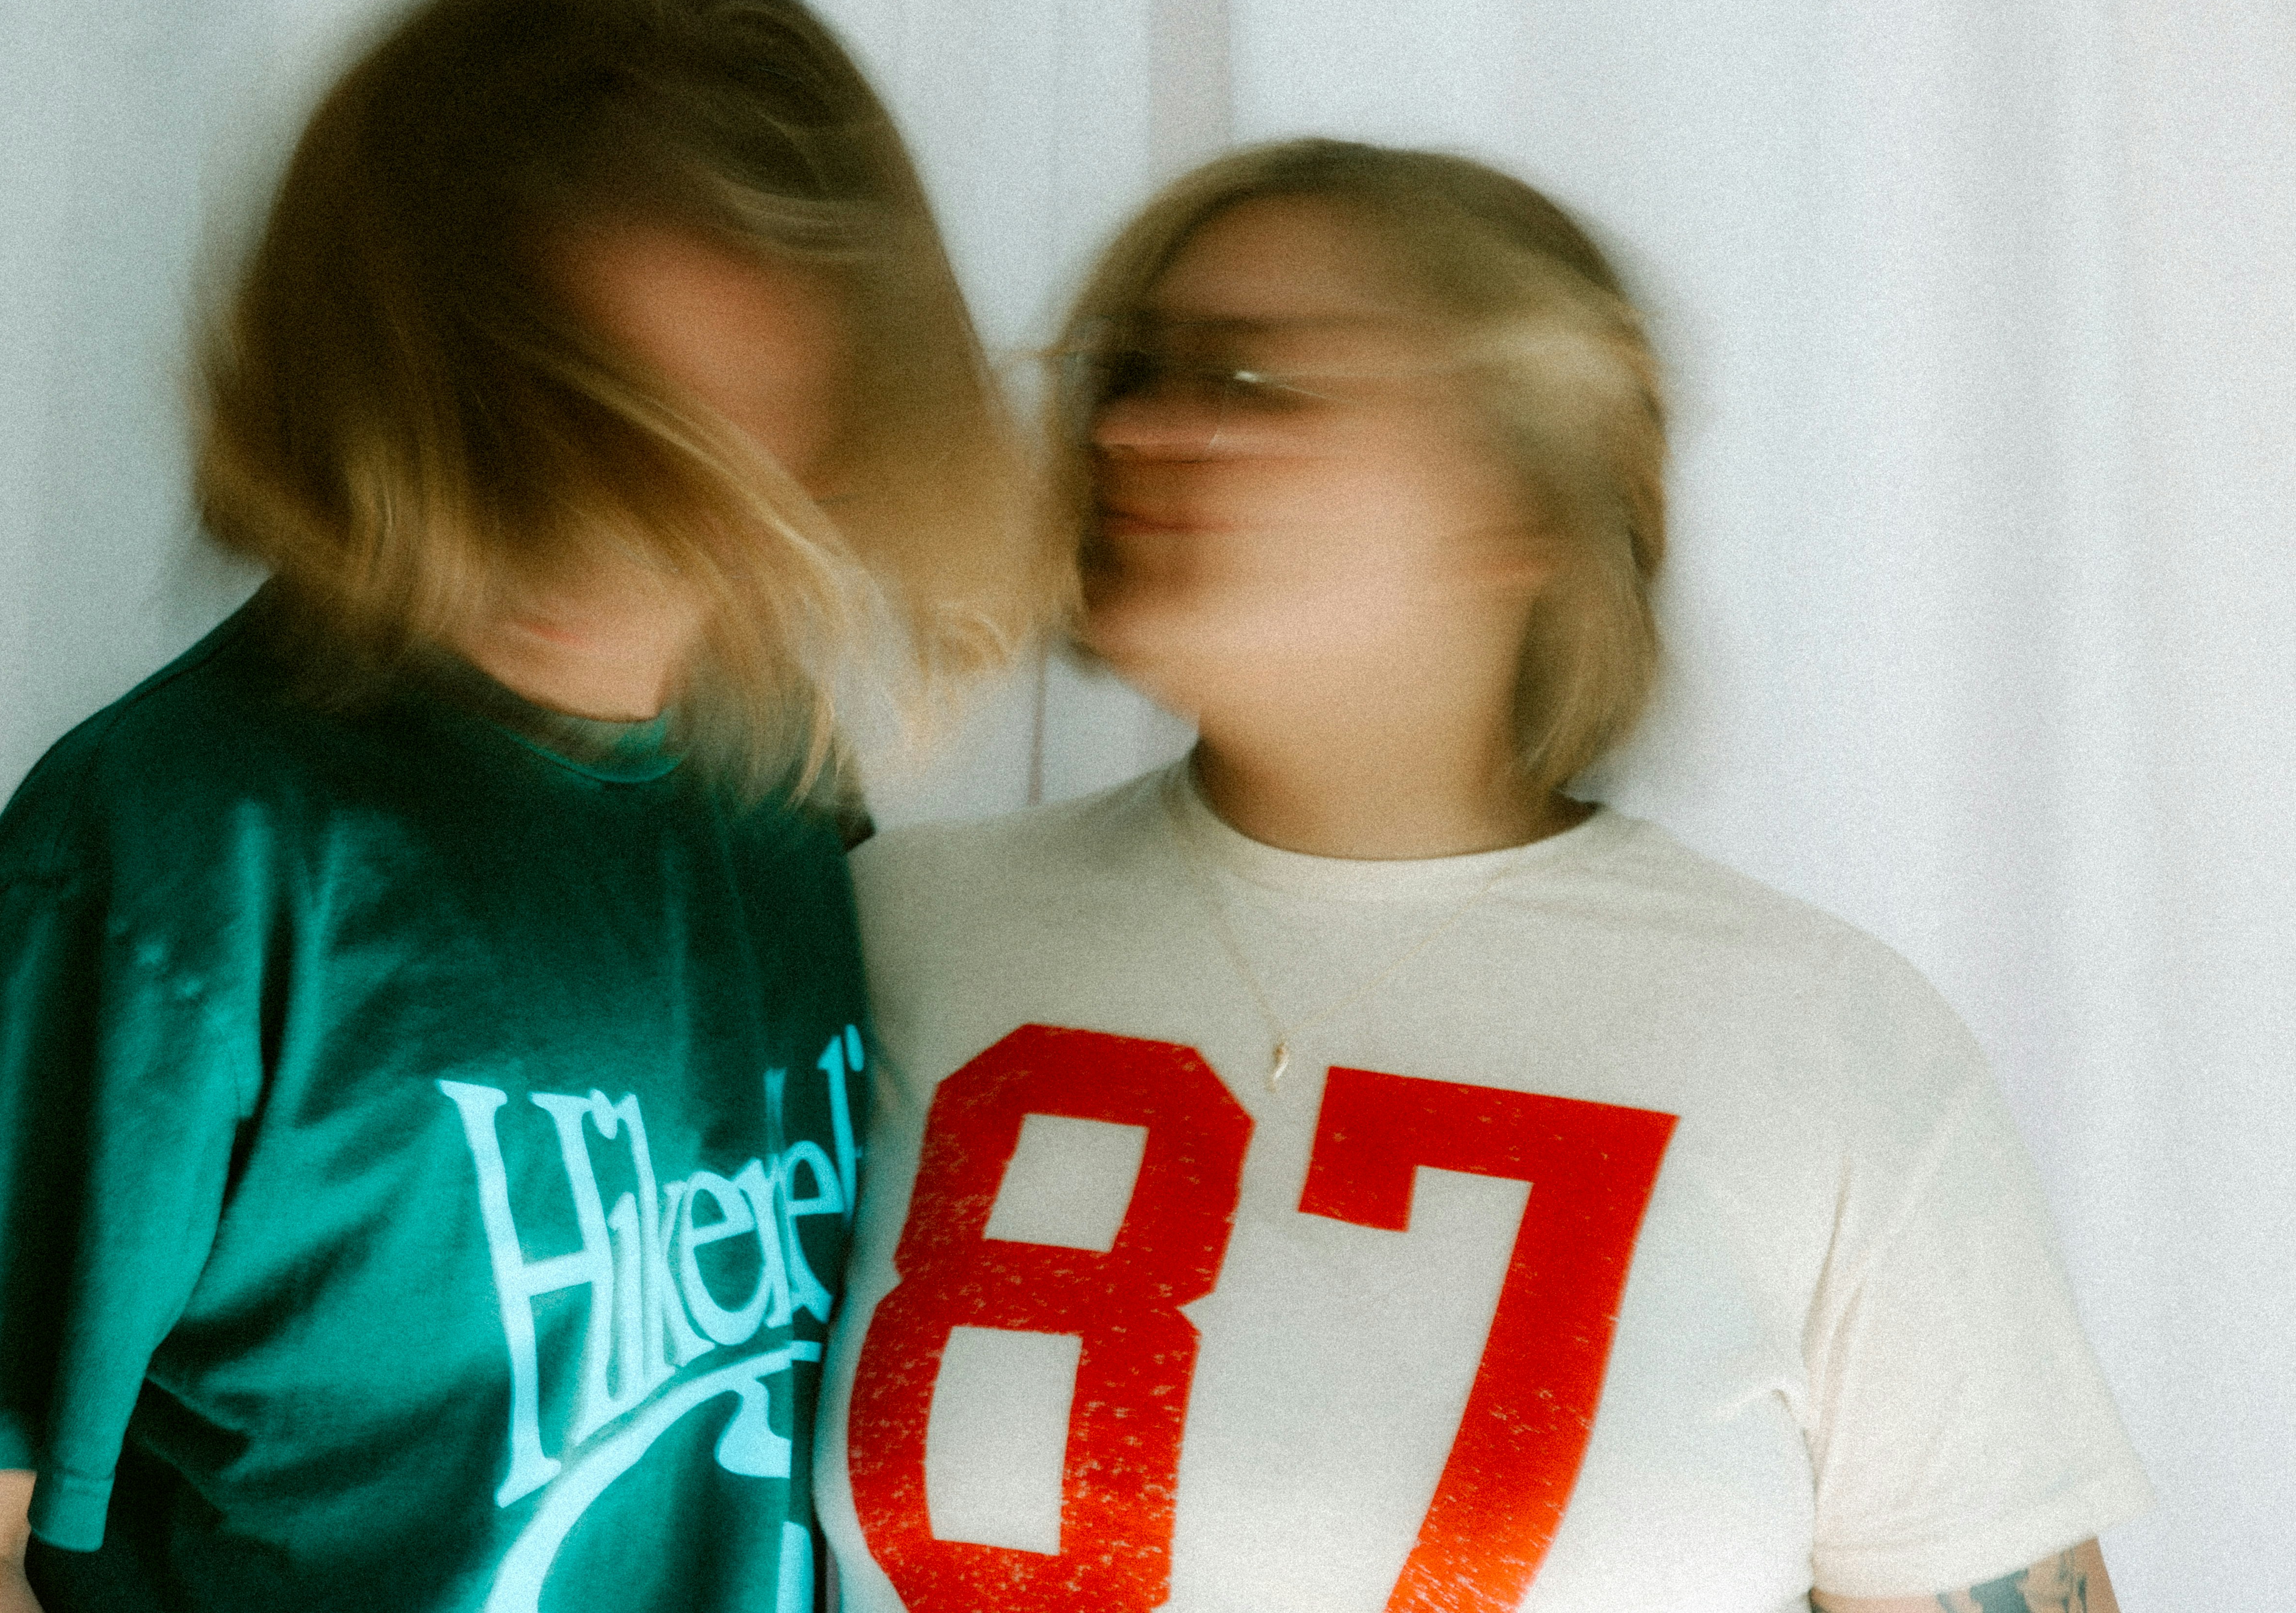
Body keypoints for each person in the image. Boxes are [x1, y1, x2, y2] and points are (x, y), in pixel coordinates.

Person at [0, 0, 1040, 1613]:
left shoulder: (779, 783)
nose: (585, 519)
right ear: (376, 365)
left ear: (838, 431)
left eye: (688, 455)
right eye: (521, 418)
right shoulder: (173, 869)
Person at [809, 140, 2152, 1612]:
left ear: (1522, 500)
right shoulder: (890, 935)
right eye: (1133, 373)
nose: (1140, 433)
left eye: (1259, 384)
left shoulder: (1824, 1051)